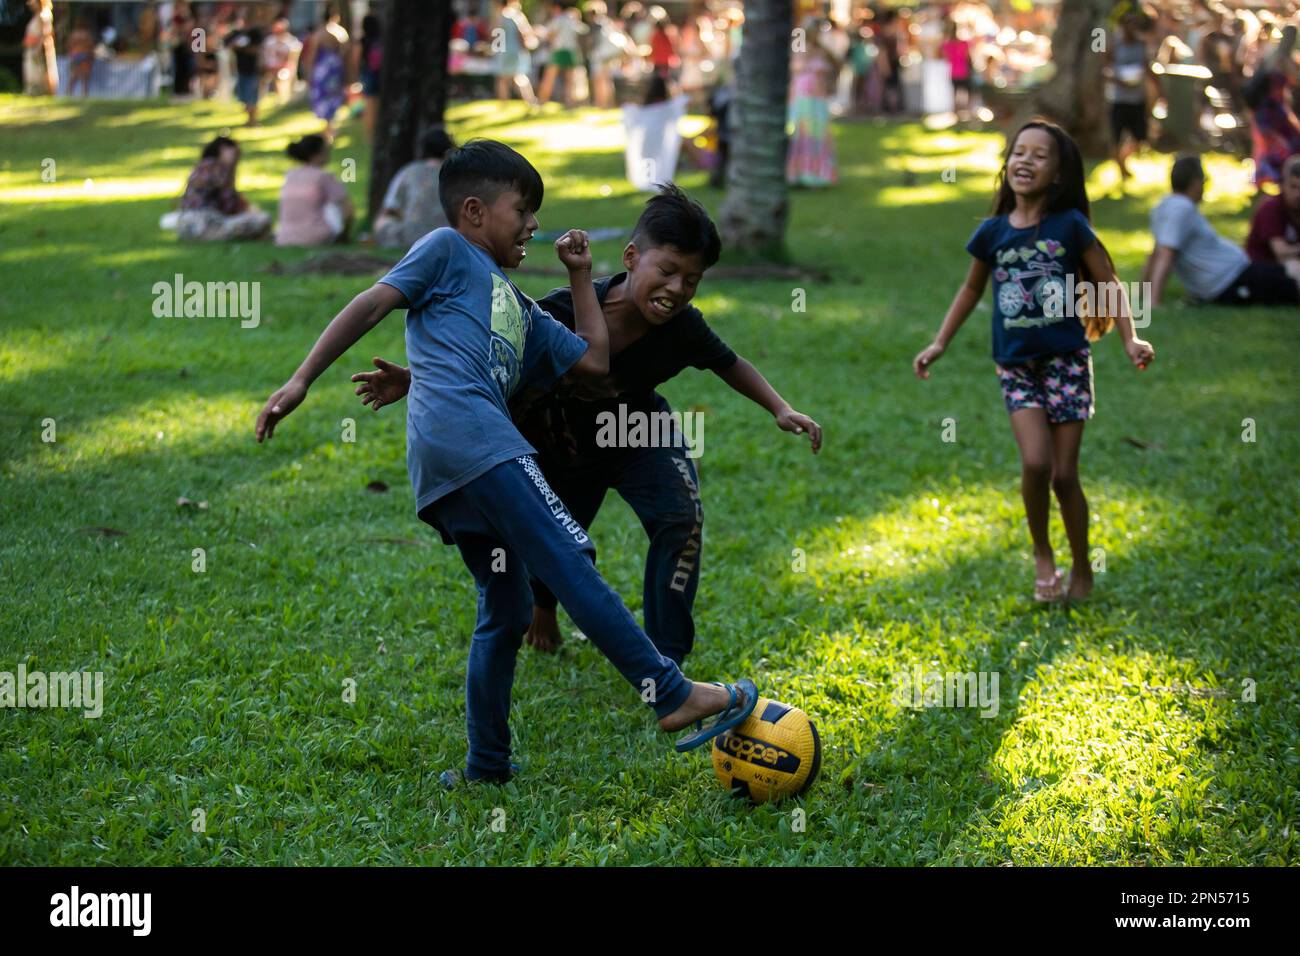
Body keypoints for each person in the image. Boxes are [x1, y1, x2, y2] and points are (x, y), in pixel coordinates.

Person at [254, 139, 759, 787]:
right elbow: (373, 303)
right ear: (473, 211)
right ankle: (669, 691)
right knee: (568, 554)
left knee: (507, 606)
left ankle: (484, 766)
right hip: (478, 448)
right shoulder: (445, 251)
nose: (534, 224)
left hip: (448, 469)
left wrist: (581, 276)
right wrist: (301, 380)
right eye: (524, 209)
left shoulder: (519, 309)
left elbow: (593, 363)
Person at [352, 184, 822, 665]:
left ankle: (668, 659)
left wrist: (780, 407)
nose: (677, 289)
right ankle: (542, 604)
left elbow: (730, 363)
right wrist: (415, 377)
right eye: (668, 271)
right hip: (564, 442)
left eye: (692, 280)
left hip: (638, 434)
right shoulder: (560, 308)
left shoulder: (685, 327)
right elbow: (502, 353)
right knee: (561, 541)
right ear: (632, 256)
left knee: (682, 519)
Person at [913, 120, 1155, 604]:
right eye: (1018, 152)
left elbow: (1107, 283)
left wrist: (1131, 339)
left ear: (1060, 174)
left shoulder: (1071, 226)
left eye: (1039, 155)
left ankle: (1082, 565)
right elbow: (971, 289)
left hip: (1066, 362)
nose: (1025, 161)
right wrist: (940, 342)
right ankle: (1043, 554)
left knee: (1065, 476)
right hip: (1016, 366)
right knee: (1036, 462)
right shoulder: (992, 233)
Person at [1144, 155, 1300, 305]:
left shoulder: (1163, 206)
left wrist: (1142, 291)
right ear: (1195, 183)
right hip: (1231, 278)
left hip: (1235, 273)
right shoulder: (1182, 209)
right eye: (1204, 180)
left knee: (1291, 269)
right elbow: (1165, 254)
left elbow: (1155, 253)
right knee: (1292, 275)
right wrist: (1153, 301)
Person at [175, 136, 272, 241]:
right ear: (222, 149)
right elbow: (229, 204)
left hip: (186, 224)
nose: (237, 157)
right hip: (206, 222)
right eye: (234, 153)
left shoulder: (204, 166)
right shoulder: (218, 168)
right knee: (262, 220)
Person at [373, 128, 455, 249]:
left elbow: (391, 208)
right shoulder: (456, 173)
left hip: (412, 238)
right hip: (450, 237)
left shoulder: (409, 171)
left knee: (384, 218)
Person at [1103, 9, 1158, 186]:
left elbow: (1147, 67)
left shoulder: (1141, 45)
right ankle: (1121, 168)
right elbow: (1106, 68)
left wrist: (1159, 89)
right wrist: (1118, 79)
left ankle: (1122, 160)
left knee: (1139, 137)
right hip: (1119, 98)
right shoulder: (1114, 45)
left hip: (1137, 98)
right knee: (1116, 136)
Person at [1243, 25, 1300, 192]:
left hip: (1269, 111)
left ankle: (1267, 178)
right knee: (1284, 144)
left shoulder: (1271, 55)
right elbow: (1296, 79)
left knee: (1266, 145)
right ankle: (1278, 176)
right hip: (1272, 112)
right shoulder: (1282, 59)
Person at [786, 19, 839, 187]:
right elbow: (795, 66)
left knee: (817, 133)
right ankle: (800, 172)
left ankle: (817, 172)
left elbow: (836, 63)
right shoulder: (800, 45)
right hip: (804, 96)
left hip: (818, 97)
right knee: (803, 132)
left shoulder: (822, 50)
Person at [276, 134, 353, 247]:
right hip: (316, 236)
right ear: (320, 153)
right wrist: (344, 235)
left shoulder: (290, 175)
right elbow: (348, 211)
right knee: (333, 206)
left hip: (284, 237)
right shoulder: (324, 176)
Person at [1246, 153, 1300, 264]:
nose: (1297, 194)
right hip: (1263, 268)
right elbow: (1281, 252)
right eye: (1293, 186)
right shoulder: (1271, 208)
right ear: (1282, 185)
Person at [304, 12, 349, 138]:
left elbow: (312, 55)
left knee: (324, 96)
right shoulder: (340, 32)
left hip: (322, 69)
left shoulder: (319, 33)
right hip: (335, 67)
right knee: (333, 95)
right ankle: (330, 126)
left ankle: (327, 127)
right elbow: (345, 51)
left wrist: (309, 72)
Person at [538, 2, 588, 107]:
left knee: (549, 77)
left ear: (557, 8)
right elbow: (583, 31)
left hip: (559, 51)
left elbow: (548, 34)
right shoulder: (572, 19)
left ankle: (542, 101)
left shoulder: (558, 19)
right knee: (569, 80)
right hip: (572, 51)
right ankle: (569, 103)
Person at [493, 0, 539, 106]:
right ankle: (530, 101)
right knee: (519, 76)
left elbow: (495, 35)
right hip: (515, 50)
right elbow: (523, 33)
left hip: (504, 51)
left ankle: (504, 103)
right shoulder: (516, 15)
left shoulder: (501, 16)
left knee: (504, 78)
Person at [227, 13, 264, 126]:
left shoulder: (256, 33)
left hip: (253, 70)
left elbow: (257, 50)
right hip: (241, 70)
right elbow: (228, 46)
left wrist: (242, 48)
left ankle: (253, 121)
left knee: (252, 97)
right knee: (244, 98)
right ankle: (249, 120)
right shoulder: (237, 34)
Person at [357, 14, 383, 141]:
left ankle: (370, 137)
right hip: (380, 75)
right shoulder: (381, 40)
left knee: (369, 107)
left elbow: (357, 60)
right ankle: (377, 134)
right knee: (378, 107)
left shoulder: (363, 41)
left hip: (368, 75)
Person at [942, 21, 973, 121]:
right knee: (967, 92)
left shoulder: (947, 45)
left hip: (953, 72)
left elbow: (945, 57)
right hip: (963, 71)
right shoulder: (964, 44)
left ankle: (955, 113)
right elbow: (967, 56)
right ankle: (967, 112)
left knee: (955, 93)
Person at [68, 20, 95, 97]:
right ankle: (84, 95)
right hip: (84, 55)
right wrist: (91, 56)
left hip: (75, 54)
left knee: (73, 76)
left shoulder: (74, 34)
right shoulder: (86, 34)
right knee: (84, 78)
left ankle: (68, 94)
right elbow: (90, 45)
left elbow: (69, 45)